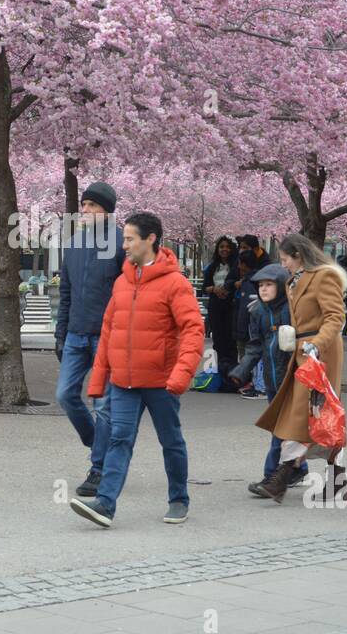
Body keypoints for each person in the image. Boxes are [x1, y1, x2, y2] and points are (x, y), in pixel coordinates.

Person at [69, 212, 204, 528]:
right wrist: (99, 379)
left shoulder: (175, 283)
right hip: (124, 382)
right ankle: (105, 504)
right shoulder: (122, 281)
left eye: (130, 239)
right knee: (119, 440)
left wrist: (181, 375)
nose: (124, 245)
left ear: (151, 239)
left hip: (161, 382)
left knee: (170, 441)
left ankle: (179, 499)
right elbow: (108, 331)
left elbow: (193, 330)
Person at [253, 233, 347, 503]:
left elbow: (335, 317)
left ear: (298, 255)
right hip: (303, 350)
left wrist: (317, 344)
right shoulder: (294, 282)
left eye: (285, 259)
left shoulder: (323, 276)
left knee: (304, 413)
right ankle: (335, 479)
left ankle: (282, 477)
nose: (283, 265)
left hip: (320, 352)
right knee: (318, 416)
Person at [54, 182, 125, 498]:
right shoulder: (74, 244)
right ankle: (99, 442)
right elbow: (66, 292)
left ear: (107, 211)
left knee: (104, 405)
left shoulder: (123, 243)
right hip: (76, 335)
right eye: (84, 205)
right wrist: (61, 332)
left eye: (93, 206)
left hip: (106, 338)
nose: (85, 211)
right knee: (65, 395)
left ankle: (98, 469)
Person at [229, 263, 312, 496]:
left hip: (293, 379)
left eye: (269, 284)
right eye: (260, 285)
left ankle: (271, 477)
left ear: (282, 286)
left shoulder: (293, 309)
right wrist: (242, 370)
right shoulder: (257, 311)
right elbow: (255, 346)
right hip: (271, 380)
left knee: (281, 430)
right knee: (283, 429)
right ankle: (298, 468)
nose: (263, 289)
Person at [201, 235, 240, 391]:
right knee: (218, 339)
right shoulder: (212, 267)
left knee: (231, 340)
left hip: (231, 305)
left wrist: (228, 289)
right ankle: (221, 373)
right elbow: (205, 286)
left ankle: (233, 375)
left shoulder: (237, 266)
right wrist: (215, 289)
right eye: (221, 247)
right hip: (216, 305)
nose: (224, 249)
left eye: (227, 247)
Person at [233, 250, 262, 398]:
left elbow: (246, 307)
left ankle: (256, 384)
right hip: (248, 324)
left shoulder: (250, 282)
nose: (238, 266)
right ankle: (254, 383)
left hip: (248, 325)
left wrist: (241, 327)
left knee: (251, 354)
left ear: (244, 264)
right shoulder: (252, 280)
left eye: (239, 263)